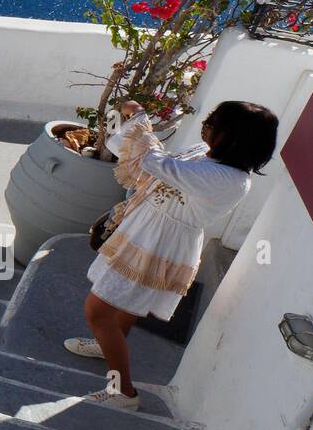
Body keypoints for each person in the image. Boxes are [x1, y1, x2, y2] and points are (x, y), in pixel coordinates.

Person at [64, 98, 279, 409]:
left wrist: (138, 118)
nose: (206, 124)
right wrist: (127, 124)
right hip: (148, 233)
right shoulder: (206, 154)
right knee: (127, 305)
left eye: (214, 122)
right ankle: (107, 344)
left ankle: (122, 392)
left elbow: (156, 164)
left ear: (232, 136)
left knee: (97, 312)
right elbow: (140, 156)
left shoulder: (228, 180)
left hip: (158, 245)